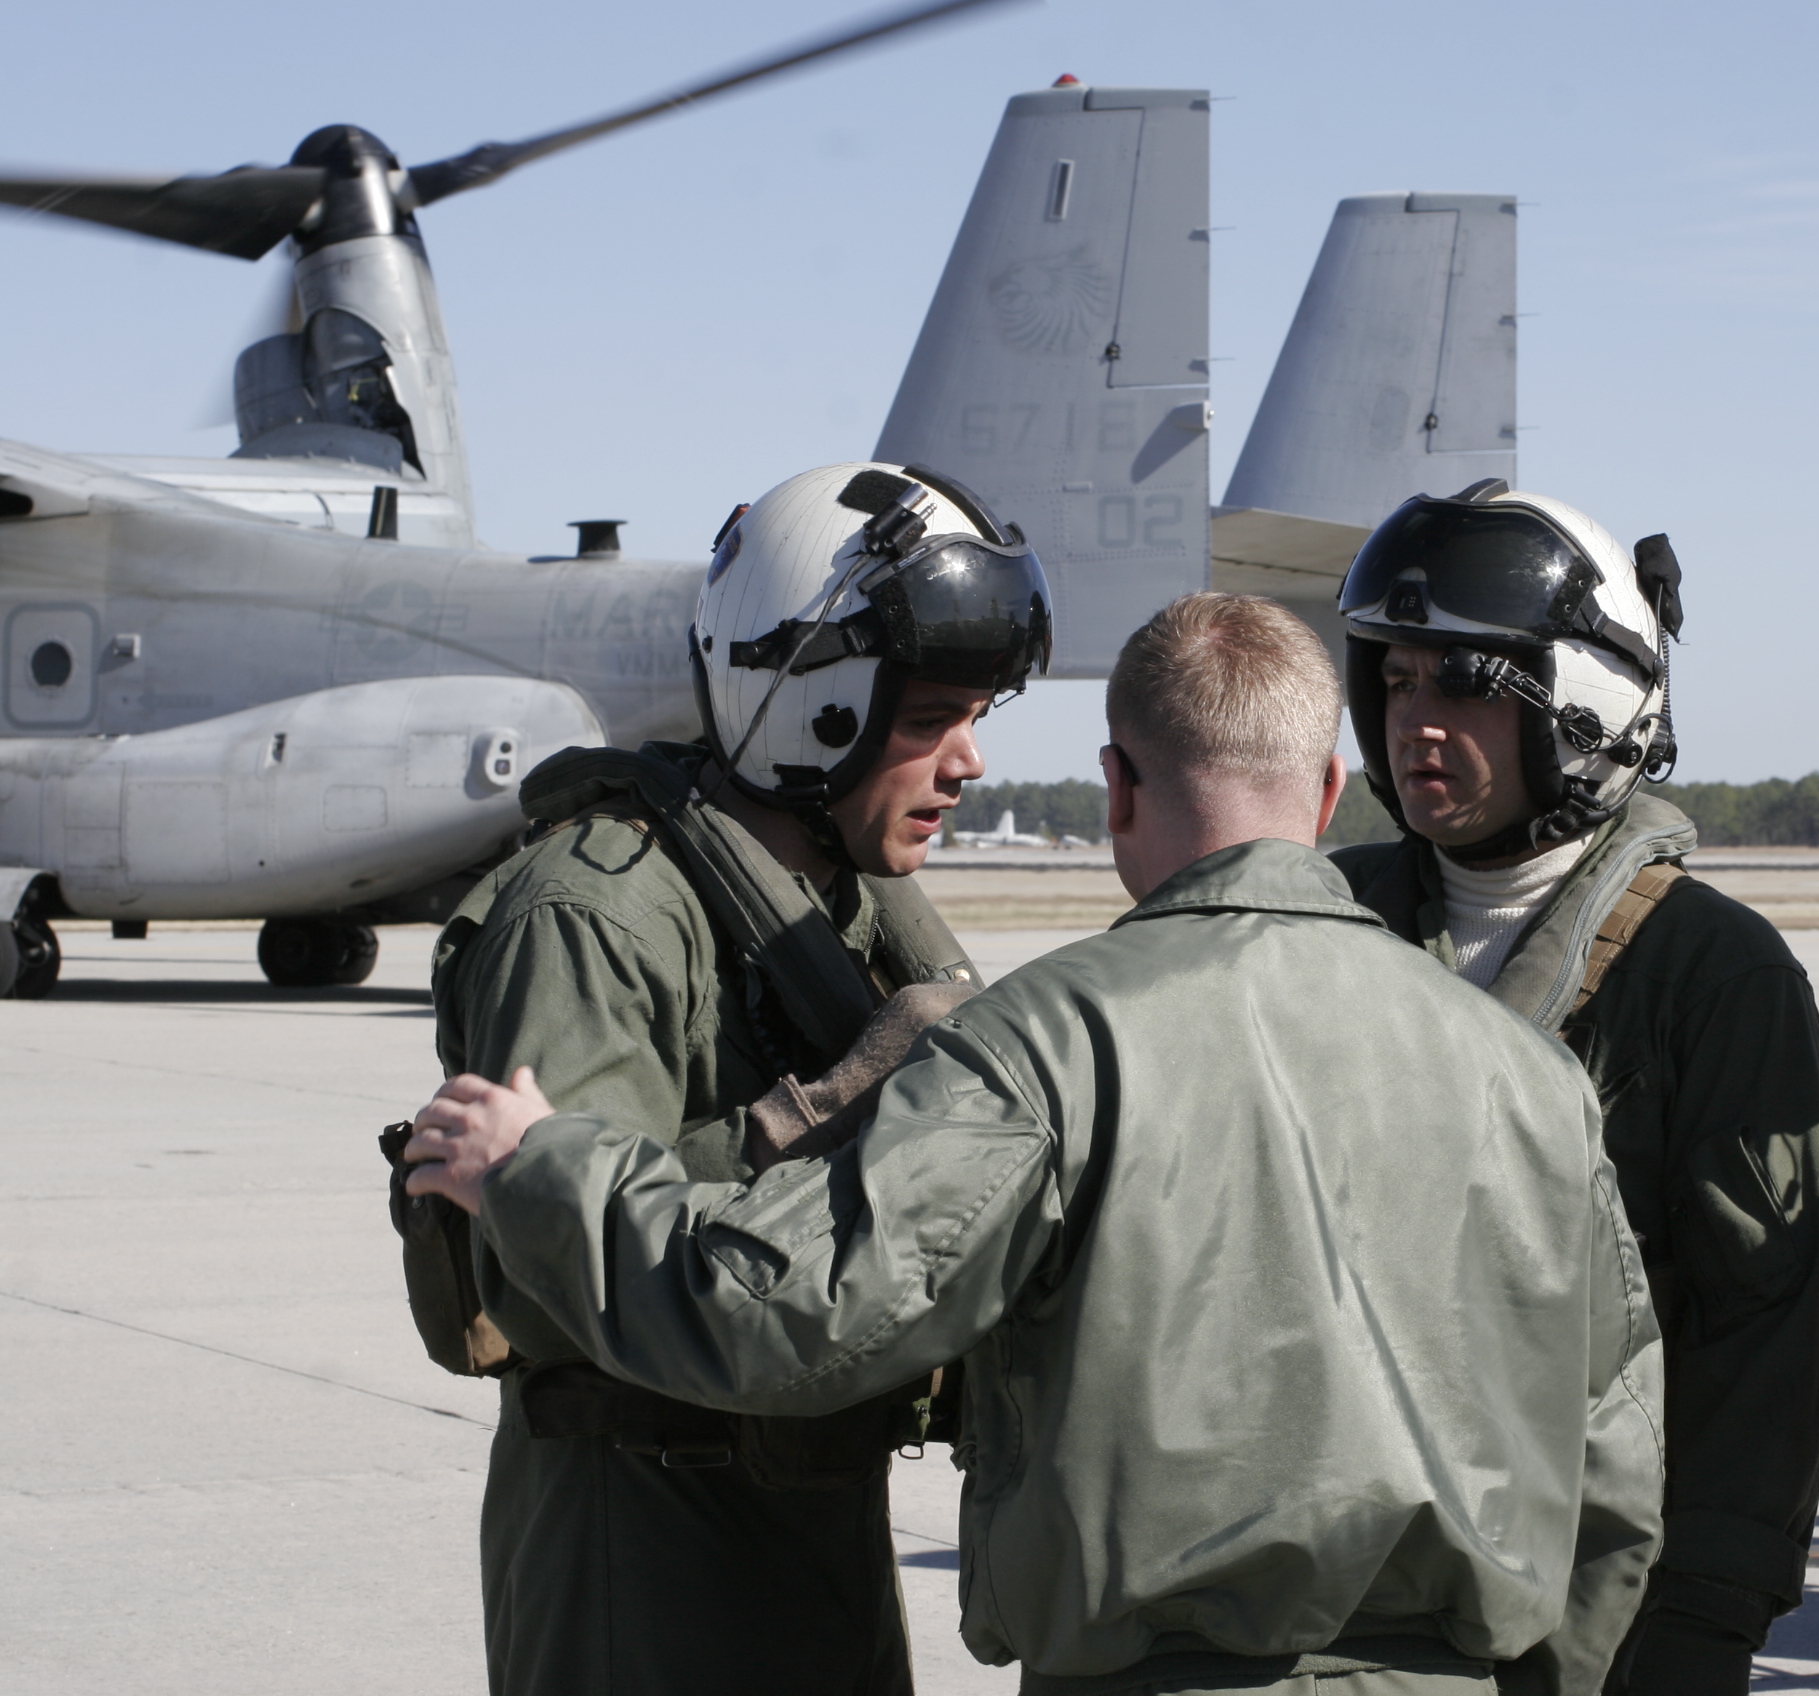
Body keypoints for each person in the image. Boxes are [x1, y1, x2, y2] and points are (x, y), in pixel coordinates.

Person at [404, 591, 1667, 1696]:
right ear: (1330, 790)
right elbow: (1615, 1465)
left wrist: (538, 1167)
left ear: (1116, 786)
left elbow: (797, 1309)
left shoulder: (1049, 1043)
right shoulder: (1530, 1074)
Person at [424, 460, 1053, 1696]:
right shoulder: (595, 914)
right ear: (813, 704)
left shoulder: (840, 912)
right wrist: (817, 1119)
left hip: (808, 1513)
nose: (970, 760)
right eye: (933, 717)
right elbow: (537, 1281)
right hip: (644, 1544)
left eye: (977, 715)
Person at [1324, 481, 1819, 1694]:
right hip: (1343, 1607)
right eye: (1396, 681)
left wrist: (1708, 1611)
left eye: (1462, 684)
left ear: (1585, 705)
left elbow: (1773, 1336)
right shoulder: (1327, 922)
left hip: (1596, 1617)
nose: (1416, 724)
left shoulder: (1710, 973)